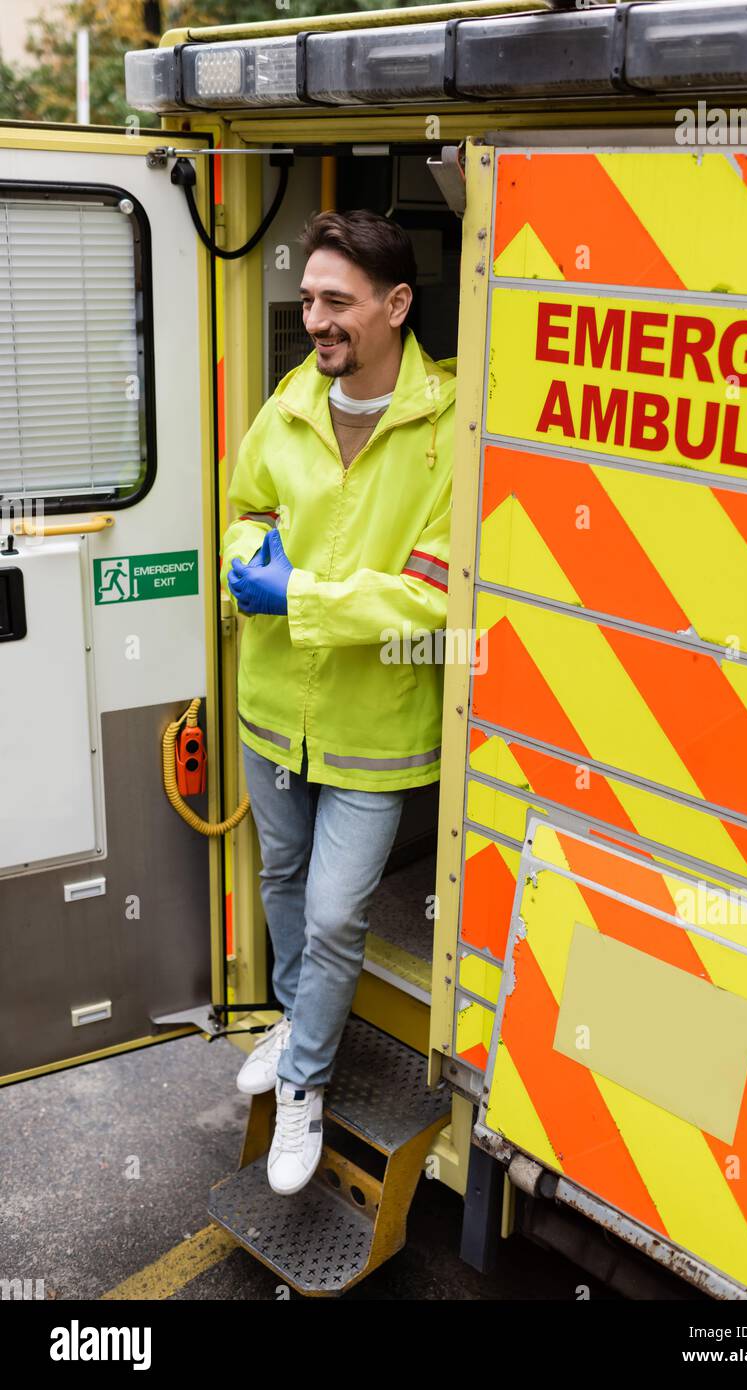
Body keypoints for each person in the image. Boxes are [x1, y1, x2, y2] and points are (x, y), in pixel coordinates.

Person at [220, 209, 456, 1198]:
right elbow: (246, 510)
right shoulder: (288, 405)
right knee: (281, 884)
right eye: (309, 297)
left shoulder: (449, 428)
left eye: (337, 302)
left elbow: (437, 593)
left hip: (375, 728)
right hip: (273, 711)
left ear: (396, 306)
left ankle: (306, 1085)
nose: (314, 318)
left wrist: (302, 598)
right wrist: (247, 561)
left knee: (330, 916)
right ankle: (295, 1021)